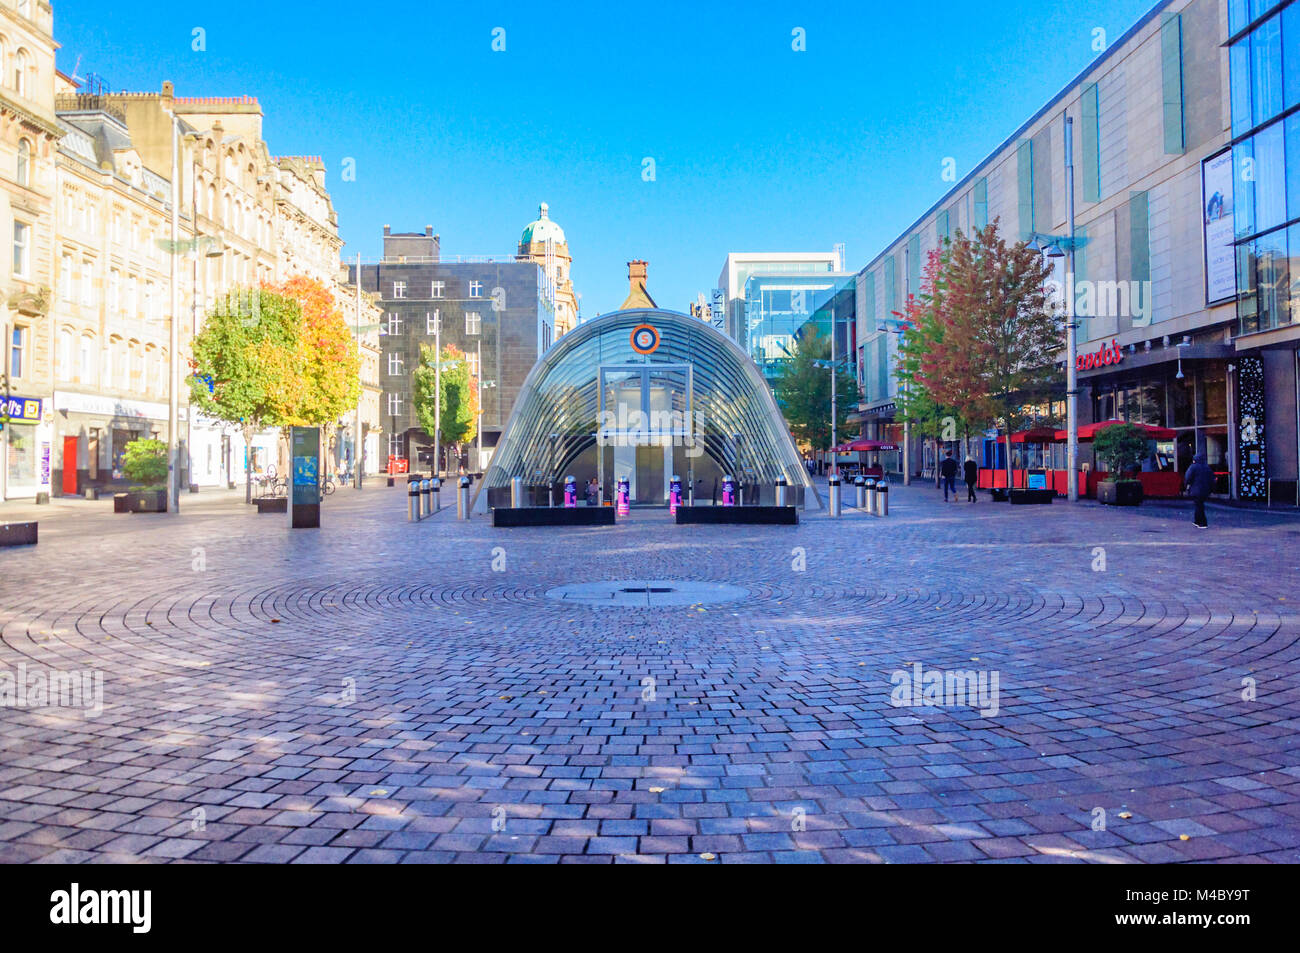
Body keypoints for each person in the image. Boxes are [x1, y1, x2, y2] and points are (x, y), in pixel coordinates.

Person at [1184, 453, 1214, 529]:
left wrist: (1186, 485)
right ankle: (1197, 521)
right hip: (1205, 490)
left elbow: (1188, 477)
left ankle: (1203, 523)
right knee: (1199, 504)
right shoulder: (1207, 467)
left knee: (1199, 506)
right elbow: (1212, 479)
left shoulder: (1193, 467)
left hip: (1196, 489)